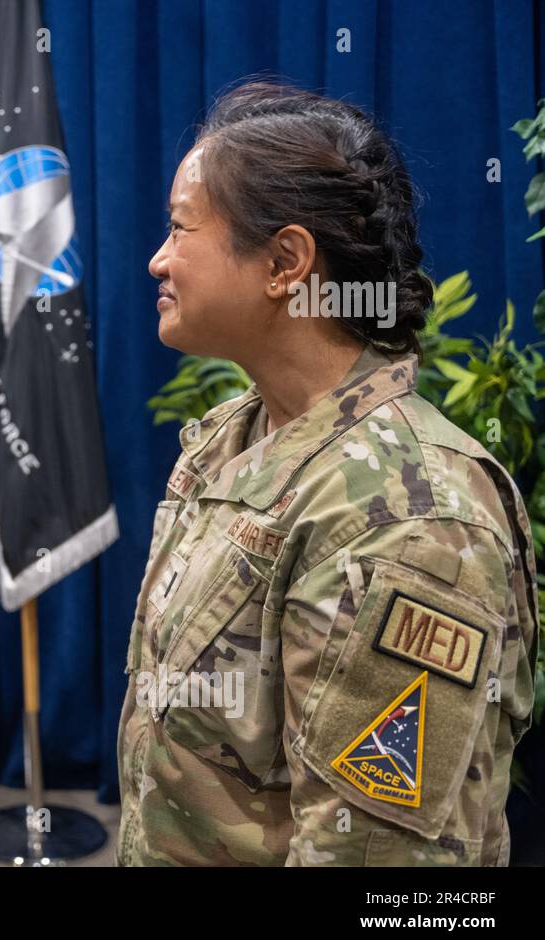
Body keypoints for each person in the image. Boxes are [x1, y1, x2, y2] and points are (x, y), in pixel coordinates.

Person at [118, 81, 537, 866]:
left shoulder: (404, 521)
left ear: (285, 262)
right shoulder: (238, 437)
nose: (158, 259)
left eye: (179, 230)